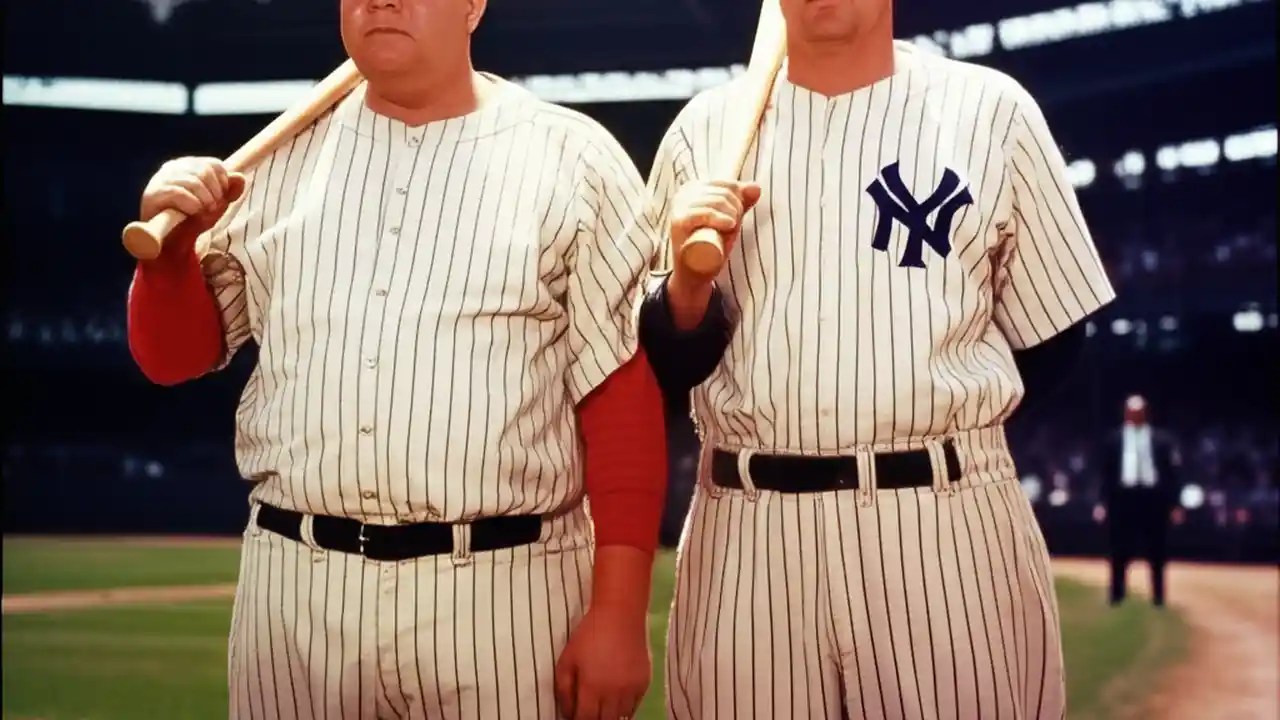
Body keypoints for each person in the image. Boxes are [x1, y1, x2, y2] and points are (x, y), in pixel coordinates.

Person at [126, 1, 667, 718]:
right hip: (295, 596)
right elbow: (174, 358)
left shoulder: (573, 161)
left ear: (474, 5)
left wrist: (621, 615)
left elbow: (622, 399)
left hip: (499, 595)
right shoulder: (275, 159)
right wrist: (168, 266)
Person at [636, 0, 1116, 717]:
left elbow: (1054, 339)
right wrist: (688, 288)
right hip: (749, 533)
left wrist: (941, 435)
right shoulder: (703, 135)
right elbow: (658, 375)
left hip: (943, 528)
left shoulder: (990, 113)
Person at [1095, 395, 1182, 607]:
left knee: (1157, 550)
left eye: (1138, 411)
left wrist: (1175, 504)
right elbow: (1105, 474)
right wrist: (1101, 503)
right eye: (1131, 411)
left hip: (1154, 498)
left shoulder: (1162, 440)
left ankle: (1158, 597)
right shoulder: (1113, 439)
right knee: (1118, 549)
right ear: (1125, 413)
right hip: (1122, 498)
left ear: (1145, 413)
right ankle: (1117, 595)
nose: (1134, 415)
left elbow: (1172, 474)